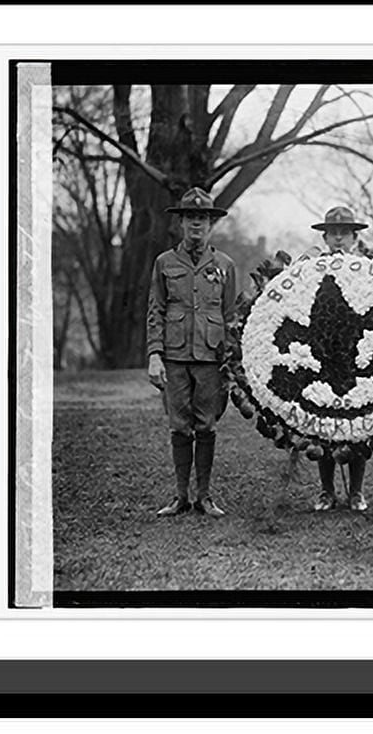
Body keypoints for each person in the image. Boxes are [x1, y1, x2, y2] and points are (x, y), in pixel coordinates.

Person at [146, 187, 237, 518]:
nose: (196, 224)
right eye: (190, 219)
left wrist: (231, 363)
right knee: (179, 425)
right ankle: (181, 495)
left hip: (210, 359)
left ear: (211, 224)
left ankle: (205, 496)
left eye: (203, 219)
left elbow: (231, 317)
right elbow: (155, 310)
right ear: (181, 223)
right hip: (174, 356)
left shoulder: (225, 264)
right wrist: (155, 355)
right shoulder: (165, 263)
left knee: (207, 425)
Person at [300, 206, 373, 512]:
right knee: (324, 420)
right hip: (323, 351)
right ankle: (327, 490)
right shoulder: (312, 267)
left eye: (345, 233)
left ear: (355, 238)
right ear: (326, 237)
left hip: (356, 352)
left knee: (358, 421)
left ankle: (356, 491)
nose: (339, 239)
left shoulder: (370, 269)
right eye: (334, 233)